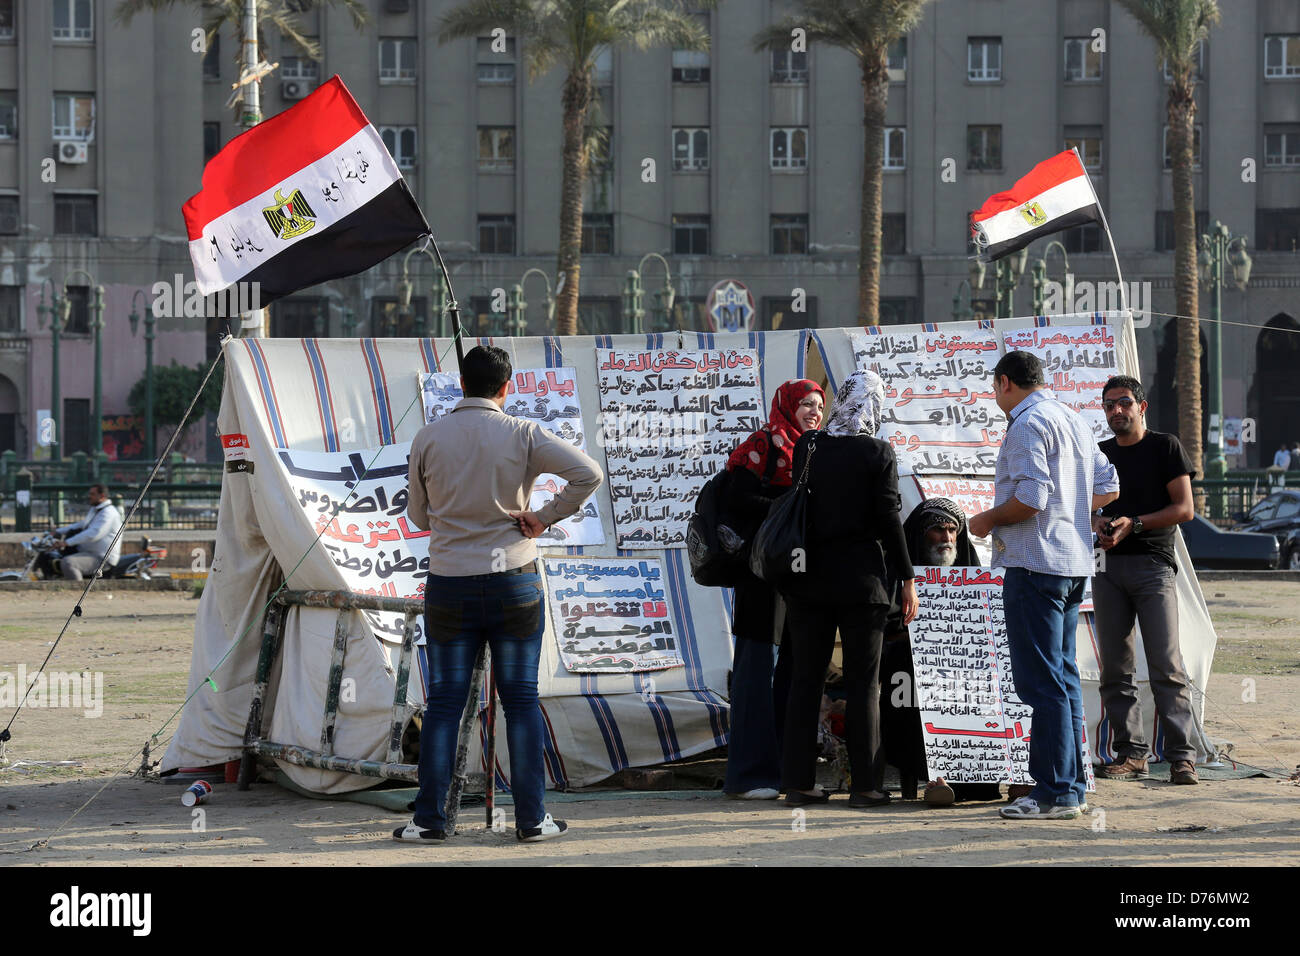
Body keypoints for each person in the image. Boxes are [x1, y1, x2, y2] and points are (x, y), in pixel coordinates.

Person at [397, 346, 603, 844]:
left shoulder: (429, 436)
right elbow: (587, 474)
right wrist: (543, 517)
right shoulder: (525, 433)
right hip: (514, 580)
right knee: (521, 700)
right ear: (506, 387)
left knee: (445, 703)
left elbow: (419, 518)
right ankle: (532, 820)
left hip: (450, 582)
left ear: (460, 383)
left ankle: (430, 821)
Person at [969, 351, 1118, 821]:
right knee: (1063, 678)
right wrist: (1073, 510)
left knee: (1042, 682)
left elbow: (1031, 498)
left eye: (995, 389)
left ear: (1005, 383)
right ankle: (1071, 787)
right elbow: (1109, 484)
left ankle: (1053, 791)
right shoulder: (1071, 418)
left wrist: (986, 519)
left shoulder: (1027, 423)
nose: (996, 398)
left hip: (1034, 564)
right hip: (1072, 564)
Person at [779, 369, 918, 808]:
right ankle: (866, 787)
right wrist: (908, 578)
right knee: (864, 685)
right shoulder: (878, 452)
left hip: (809, 582)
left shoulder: (809, 445)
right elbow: (889, 518)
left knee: (806, 680)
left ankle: (799, 784)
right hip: (863, 584)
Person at [1092, 376, 1200, 785]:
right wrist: (1099, 521)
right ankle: (1131, 753)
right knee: (1115, 670)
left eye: (1123, 403)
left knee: (1166, 665)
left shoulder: (1165, 446)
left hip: (1153, 566)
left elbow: (1184, 508)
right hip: (1106, 568)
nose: (1116, 411)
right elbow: (1085, 505)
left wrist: (1133, 523)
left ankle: (1181, 758)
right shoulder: (1098, 454)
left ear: (1142, 406)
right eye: (1108, 406)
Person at [721, 378, 825, 800]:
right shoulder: (764, 444)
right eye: (804, 404)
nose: (813, 412)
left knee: (792, 673)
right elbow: (735, 500)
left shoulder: (818, 450)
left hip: (799, 579)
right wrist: (789, 509)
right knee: (755, 673)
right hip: (761, 577)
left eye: (819, 405)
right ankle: (749, 775)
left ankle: (785, 772)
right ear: (786, 405)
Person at [881, 497, 1003, 806]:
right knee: (906, 674)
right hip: (908, 657)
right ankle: (929, 775)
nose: (947, 539)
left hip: (959, 664)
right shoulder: (897, 568)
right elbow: (889, 621)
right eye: (938, 530)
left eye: (952, 531)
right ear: (921, 534)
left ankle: (963, 778)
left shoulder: (969, 568)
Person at [43, 484, 123, 581]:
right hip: (88, 552)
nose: (89, 496)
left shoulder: (108, 513)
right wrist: (57, 531)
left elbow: (93, 534)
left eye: (92, 494)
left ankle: (79, 590)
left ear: (102, 496)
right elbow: (81, 524)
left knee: (68, 562)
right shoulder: (96, 510)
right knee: (54, 556)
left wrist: (66, 542)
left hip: (102, 558)